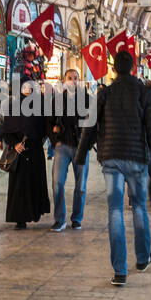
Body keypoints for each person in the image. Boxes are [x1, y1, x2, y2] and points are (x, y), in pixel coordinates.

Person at [76, 50, 151, 285]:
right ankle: (143, 257)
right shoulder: (145, 94)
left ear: (114, 69)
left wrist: (81, 155)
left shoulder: (104, 93)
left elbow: (89, 127)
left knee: (115, 211)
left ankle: (120, 271)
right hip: (137, 160)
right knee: (138, 207)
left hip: (112, 159)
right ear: (134, 67)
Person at [0, 80, 50, 229]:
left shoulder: (40, 105)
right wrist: (14, 144)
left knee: (34, 181)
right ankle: (20, 219)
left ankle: (34, 213)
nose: (29, 89)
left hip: (34, 150)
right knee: (19, 185)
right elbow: (6, 130)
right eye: (26, 87)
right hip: (19, 150)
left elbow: (44, 128)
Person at [47, 69, 89, 231]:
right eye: (69, 78)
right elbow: (48, 122)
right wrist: (54, 140)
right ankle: (60, 219)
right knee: (57, 183)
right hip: (62, 146)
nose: (72, 80)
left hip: (80, 147)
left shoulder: (86, 99)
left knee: (81, 185)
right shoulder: (57, 100)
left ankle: (77, 218)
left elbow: (93, 123)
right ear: (64, 81)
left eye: (75, 78)